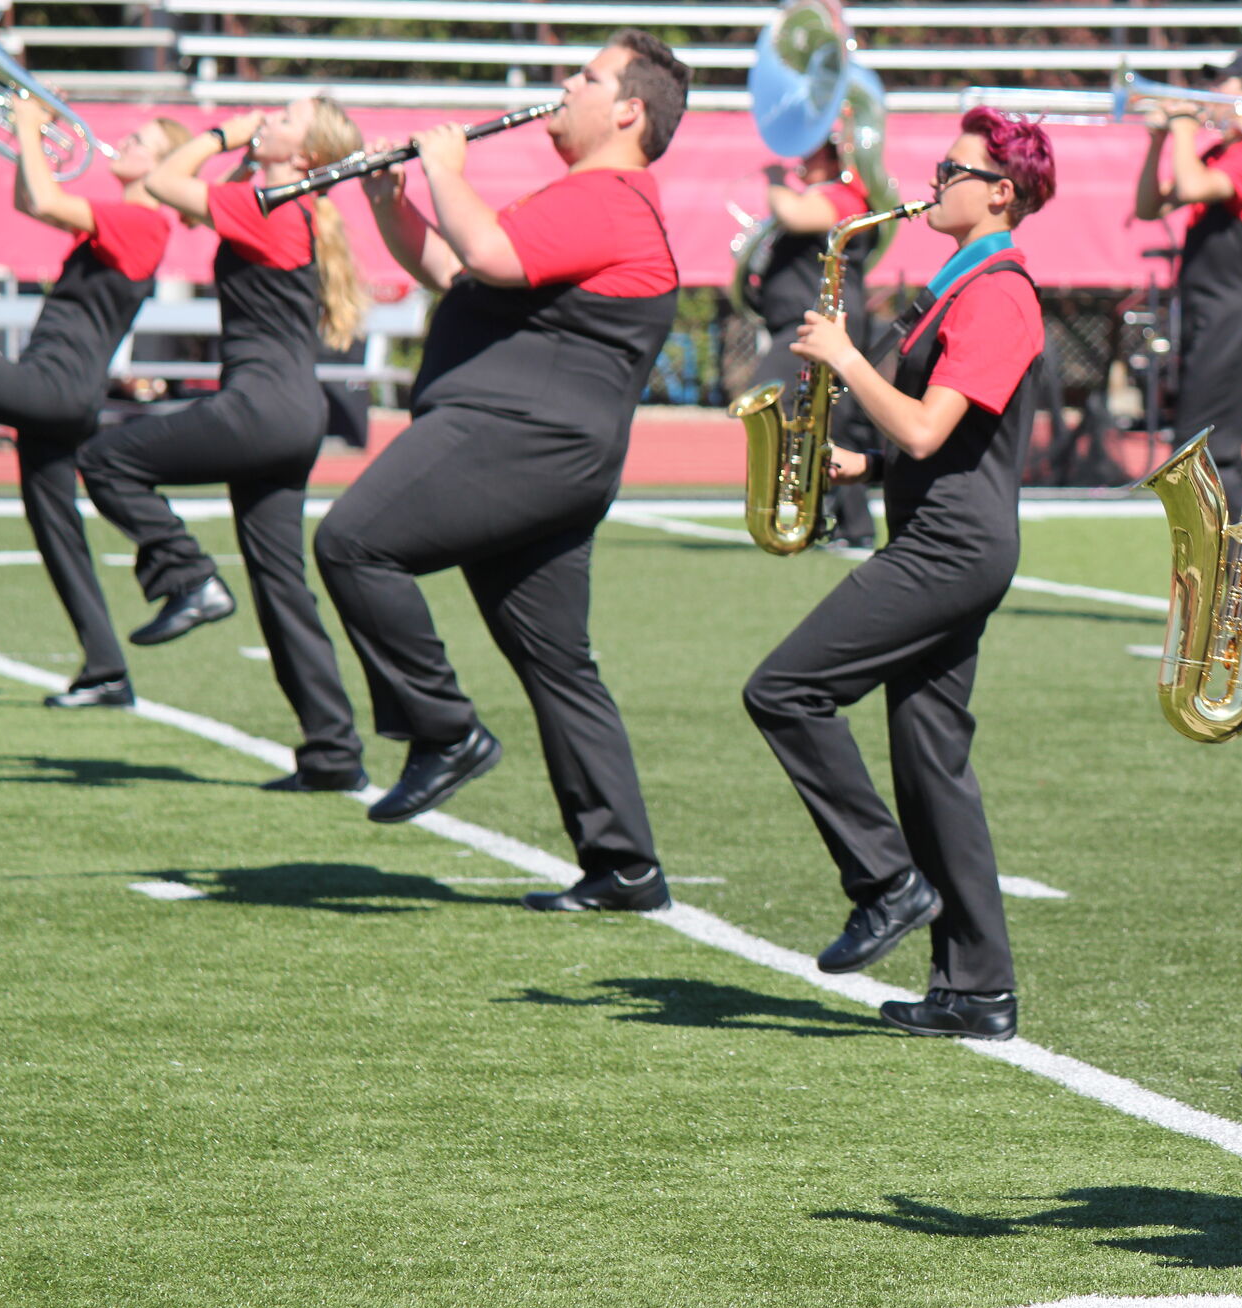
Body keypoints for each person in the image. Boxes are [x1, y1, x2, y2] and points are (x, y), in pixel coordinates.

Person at [316, 33, 690, 913]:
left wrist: (445, 166)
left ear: (628, 111)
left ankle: (444, 730)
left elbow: (483, 250)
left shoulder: (609, 197)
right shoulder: (578, 201)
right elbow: (456, 269)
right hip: (536, 448)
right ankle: (624, 863)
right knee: (557, 661)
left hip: (523, 440)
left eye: (587, 78)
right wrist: (390, 200)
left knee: (353, 542)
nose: (566, 85)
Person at [743, 107, 1054, 1042]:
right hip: (942, 532)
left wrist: (843, 359)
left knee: (785, 690)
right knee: (930, 764)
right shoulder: (963, 285)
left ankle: (884, 881)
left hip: (951, 549)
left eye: (954, 168)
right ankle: (979, 987)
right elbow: (940, 446)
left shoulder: (1000, 293)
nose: (934, 180)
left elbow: (924, 428)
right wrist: (860, 468)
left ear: (1002, 191)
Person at [77, 100, 367, 792]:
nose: (268, 119)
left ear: (305, 158)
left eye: (287, 120)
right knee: (279, 585)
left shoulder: (268, 204)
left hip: (262, 406)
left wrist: (217, 134)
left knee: (104, 459)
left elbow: (167, 184)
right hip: (291, 411)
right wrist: (241, 145)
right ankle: (333, 752)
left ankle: (186, 575)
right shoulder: (274, 201)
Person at [0, 101, 187, 706]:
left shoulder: (144, 223)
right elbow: (28, 199)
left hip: (58, 388)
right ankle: (106, 669)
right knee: (55, 531)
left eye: (142, 139)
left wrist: (24, 123)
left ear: (165, 164)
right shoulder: (120, 219)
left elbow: (43, 201)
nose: (126, 141)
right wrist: (31, 139)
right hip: (55, 386)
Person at [1133, 49, 1242, 513]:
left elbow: (1193, 188)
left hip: (1233, 317)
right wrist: (1159, 141)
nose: (1208, 94)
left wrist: (1181, 126)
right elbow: (1148, 207)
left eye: (1221, 83)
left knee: (1209, 450)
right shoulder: (1220, 153)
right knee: (1195, 445)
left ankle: (1238, 563)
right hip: (1208, 313)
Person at [746, 140, 878, 547]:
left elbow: (794, 214)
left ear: (837, 159)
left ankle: (826, 518)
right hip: (803, 326)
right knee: (833, 422)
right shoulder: (828, 194)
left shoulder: (843, 196)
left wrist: (773, 179)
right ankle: (842, 523)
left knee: (785, 399)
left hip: (816, 327)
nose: (803, 160)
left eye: (815, 153)